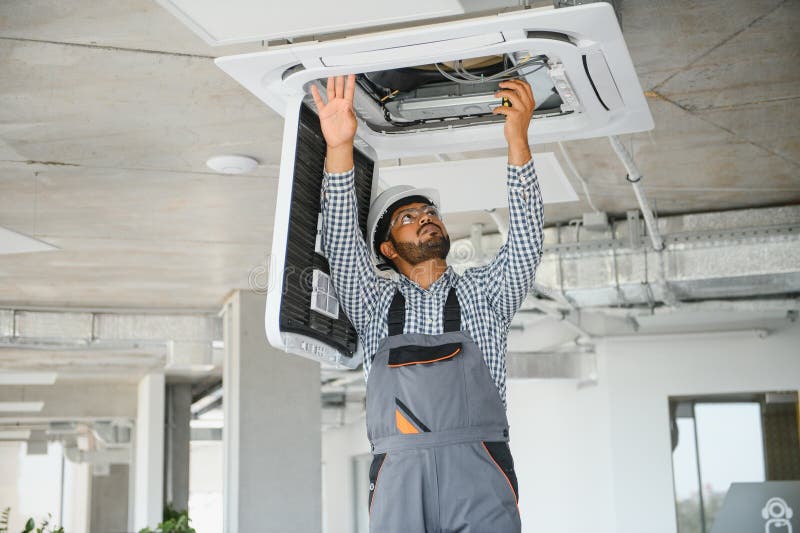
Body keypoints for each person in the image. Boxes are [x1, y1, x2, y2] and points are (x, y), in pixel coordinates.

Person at [313, 74, 543, 532]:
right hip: (400, 472)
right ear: (388, 250)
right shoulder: (372, 302)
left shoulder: (484, 292)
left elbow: (527, 241)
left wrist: (517, 138)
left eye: (430, 214)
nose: (426, 219)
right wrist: (339, 147)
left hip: (479, 468)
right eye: (408, 218)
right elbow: (340, 242)